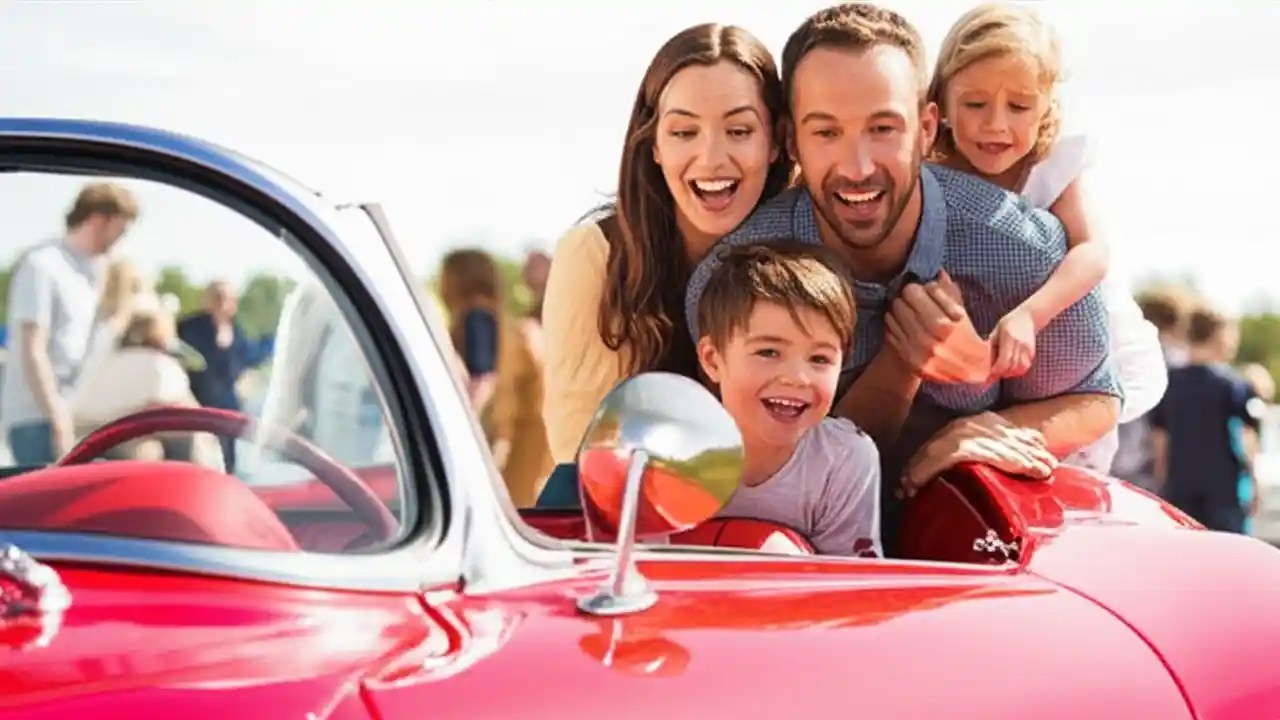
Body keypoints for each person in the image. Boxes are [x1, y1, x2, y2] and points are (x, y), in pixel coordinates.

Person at [683, 3, 1120, 551]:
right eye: (826, 133)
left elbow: (1096, 400)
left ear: (927, 127)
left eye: (883, 128)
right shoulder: (733, 280)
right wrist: (905, 362)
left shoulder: (1024, 251)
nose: (858, 165)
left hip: (976, 551)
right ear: (792, 141)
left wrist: (975, 435)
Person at [539, 22, 792, 505]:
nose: (712, 158)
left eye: (739, 131)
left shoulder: (802, 255)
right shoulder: (595, 255)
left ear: (776, 140)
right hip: (631, 517)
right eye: (683, 132)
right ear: (653, 144)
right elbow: (580, 454)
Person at [926, 2, 1166, 472]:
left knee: (1060, 469)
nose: (995, 123)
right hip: (989, 369)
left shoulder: (1049, 166)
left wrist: (1028, 316)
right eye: (975, 103)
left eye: (1018, 106)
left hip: (1078, 353)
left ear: (1045, 106)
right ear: (943, 102)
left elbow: (1092, 252)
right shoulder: (933, 172)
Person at [697, 244, 881, 556]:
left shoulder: (843, 461)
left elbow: (848, 586)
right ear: (713, 359)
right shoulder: (669, 450)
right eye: (768, 352)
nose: (797, 377)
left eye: (820, 359)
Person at [1, 181, 138, 464]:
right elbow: (32, 349)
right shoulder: (43, 266)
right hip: (36, 418)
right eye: (120, 230)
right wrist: (56, 415)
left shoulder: (93, 274)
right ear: (99, 220)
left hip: (70, 413)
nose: (121, 240)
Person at [440, 249, 553, 508]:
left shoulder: (476, 316)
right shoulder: (498, 319)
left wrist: (459, 426)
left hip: (497, 439)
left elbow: (484, 378)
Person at [1150, 307, 1262, 533]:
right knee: (1230, 560)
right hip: (1224, 491)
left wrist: (1163, 483)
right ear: (1219, 335)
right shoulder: (1234, 385)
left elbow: (1160, 441)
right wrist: (1255, 483)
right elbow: (1247, 438)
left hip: (1179, 491)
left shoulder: (1168, 383)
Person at [70, 309, 223, 468]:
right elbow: (182, 410)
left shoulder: (107, 361)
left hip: (85, 437)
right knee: (183, 444)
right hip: (120, 437)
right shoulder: (159, 365)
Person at [177, 280, 272, 472]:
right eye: (218, 297)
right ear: (207, 300)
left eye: (229, 299)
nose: (224, 304)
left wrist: (278, 340)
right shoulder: (189, 328)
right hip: (196, 411)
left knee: (228, 466)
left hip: (228, 414)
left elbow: (251, 355)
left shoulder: (237, 332)